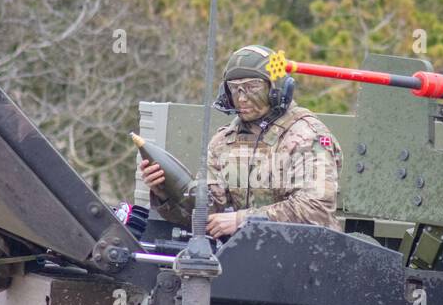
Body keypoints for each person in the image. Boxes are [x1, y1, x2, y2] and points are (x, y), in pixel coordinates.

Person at [143, 45, 343, 237]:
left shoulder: (307, 137)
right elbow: (206, 214)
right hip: (248, 255)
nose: (242, 98)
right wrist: (165, 193)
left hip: (311, 257)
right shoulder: (224, 142)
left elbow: (315, 210)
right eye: (234, 89)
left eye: (252, 87)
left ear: (276, 89)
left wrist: (241, 220)